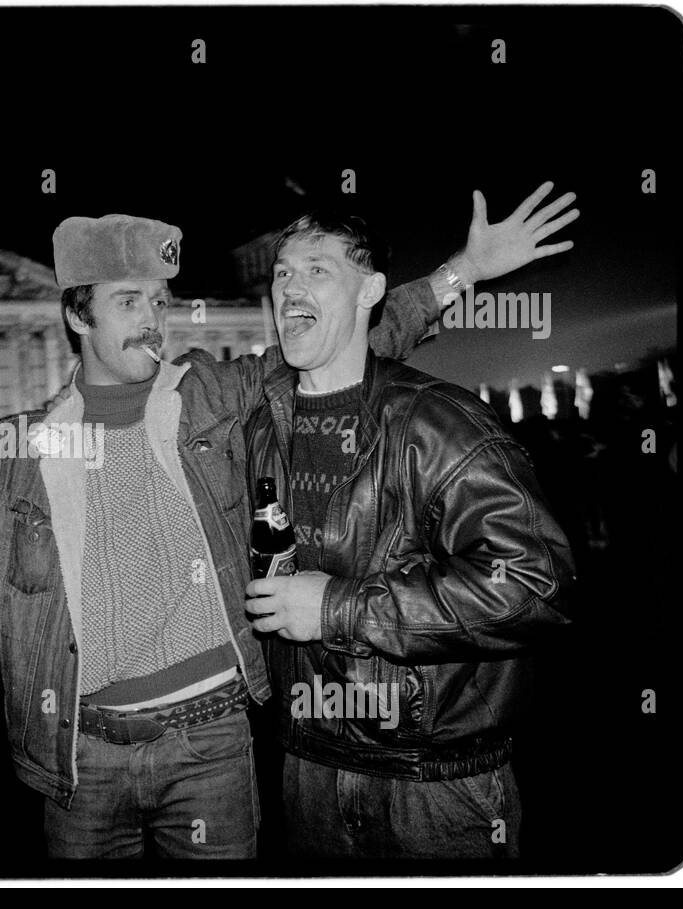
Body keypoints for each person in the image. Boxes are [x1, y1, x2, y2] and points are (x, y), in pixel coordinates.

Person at [0, 194, 571, 859]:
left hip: (214, 744)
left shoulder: (212, 395)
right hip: (81, 760)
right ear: (77, 315)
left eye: (161, 301)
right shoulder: (22, 446)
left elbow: (352, 336)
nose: (156, 320)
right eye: (131, 302)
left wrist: (463, 272)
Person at [243, 208, 577, 860]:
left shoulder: (439, 422)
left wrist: (339, 607)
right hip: (308, 767)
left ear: (370, 290)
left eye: (317, 270)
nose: (290, 287)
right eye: (282, 273)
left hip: (434, 780)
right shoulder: (262, 425)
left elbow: (537, 584)